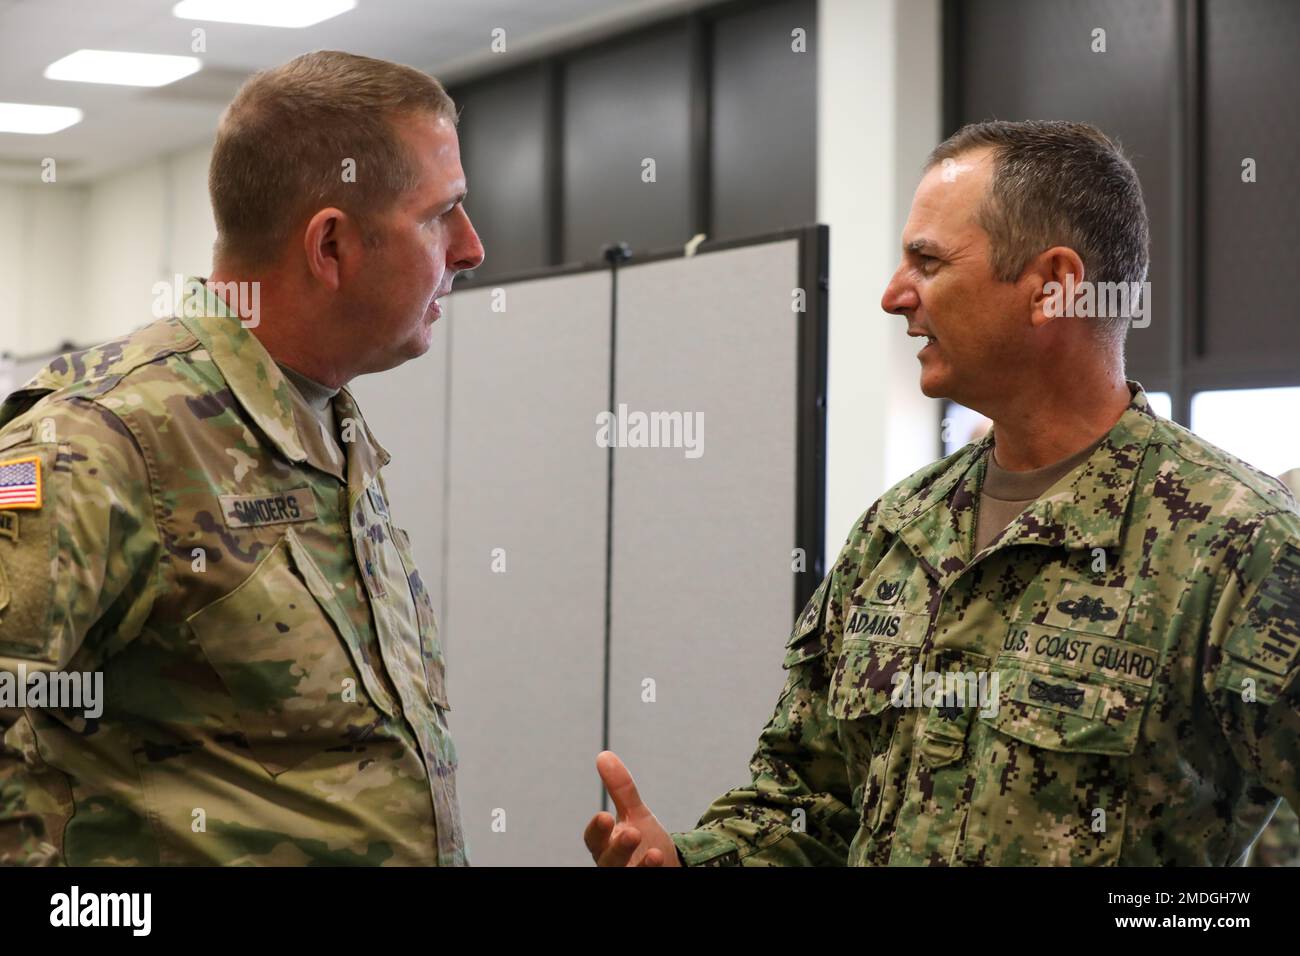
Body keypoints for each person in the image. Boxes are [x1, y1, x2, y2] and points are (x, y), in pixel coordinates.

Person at [585, 120, 1300, 867]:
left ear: (1053, 286)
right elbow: (809, 803)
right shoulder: (898, 531)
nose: (895, 296)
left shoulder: (1235, 546)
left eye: (927, 262)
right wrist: (688, 860)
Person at [0, 51, 484, 865]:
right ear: (330, 246)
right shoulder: (106, 443)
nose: (470, 248)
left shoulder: (324, 423)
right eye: (441, 216)